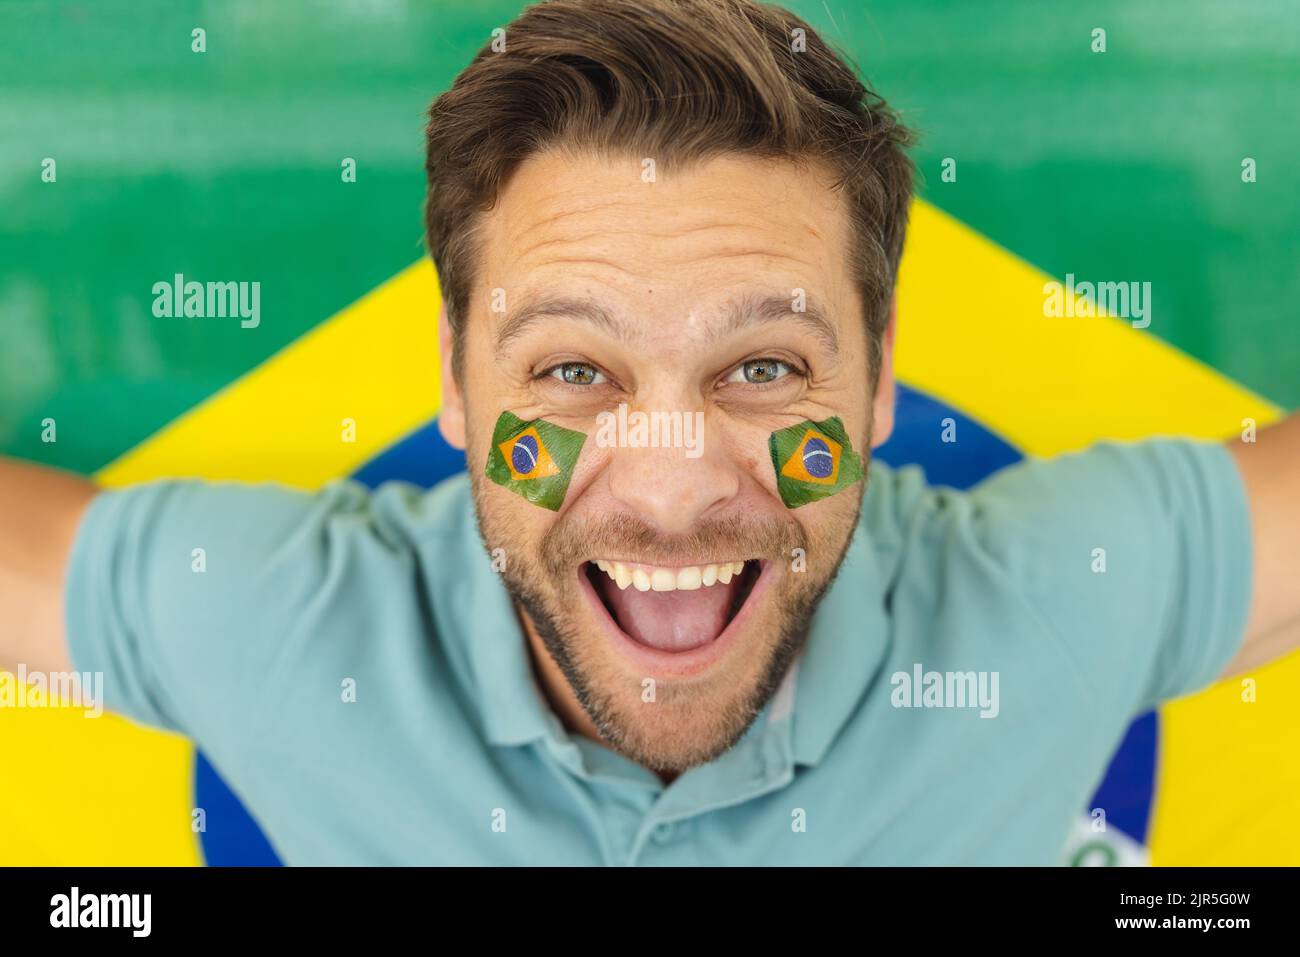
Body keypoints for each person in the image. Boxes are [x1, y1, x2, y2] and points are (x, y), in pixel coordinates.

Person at [1, 0, 1296, 865]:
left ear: (880, 380)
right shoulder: (282, 626)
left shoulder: (1057, 602)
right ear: (456, 382)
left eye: (766, 364)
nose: (676, 491)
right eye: (572, 366)